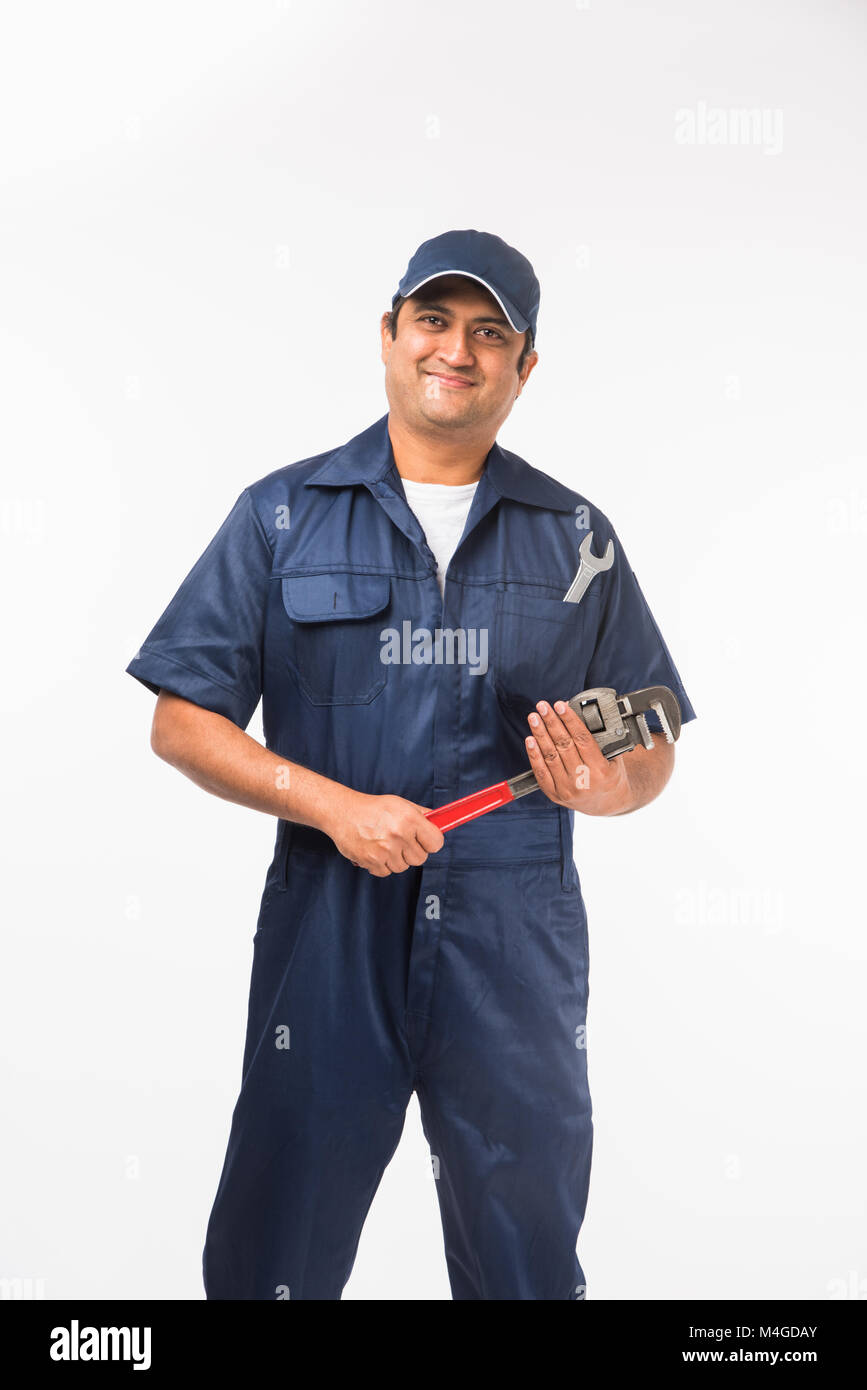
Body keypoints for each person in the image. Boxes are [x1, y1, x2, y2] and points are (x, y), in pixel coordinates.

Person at [127, 228, 696, 1300]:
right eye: (433, 321)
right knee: (273, 1254)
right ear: (389, 337)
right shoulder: (281, 516)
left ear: (525, 368)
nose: (457, 351)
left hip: (514, 948)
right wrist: (331, 805)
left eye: (491, 333)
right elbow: (182, 719)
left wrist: (604, 785)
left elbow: (653, 741)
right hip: (328, 930)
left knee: (525, 1260)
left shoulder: (578, 535)